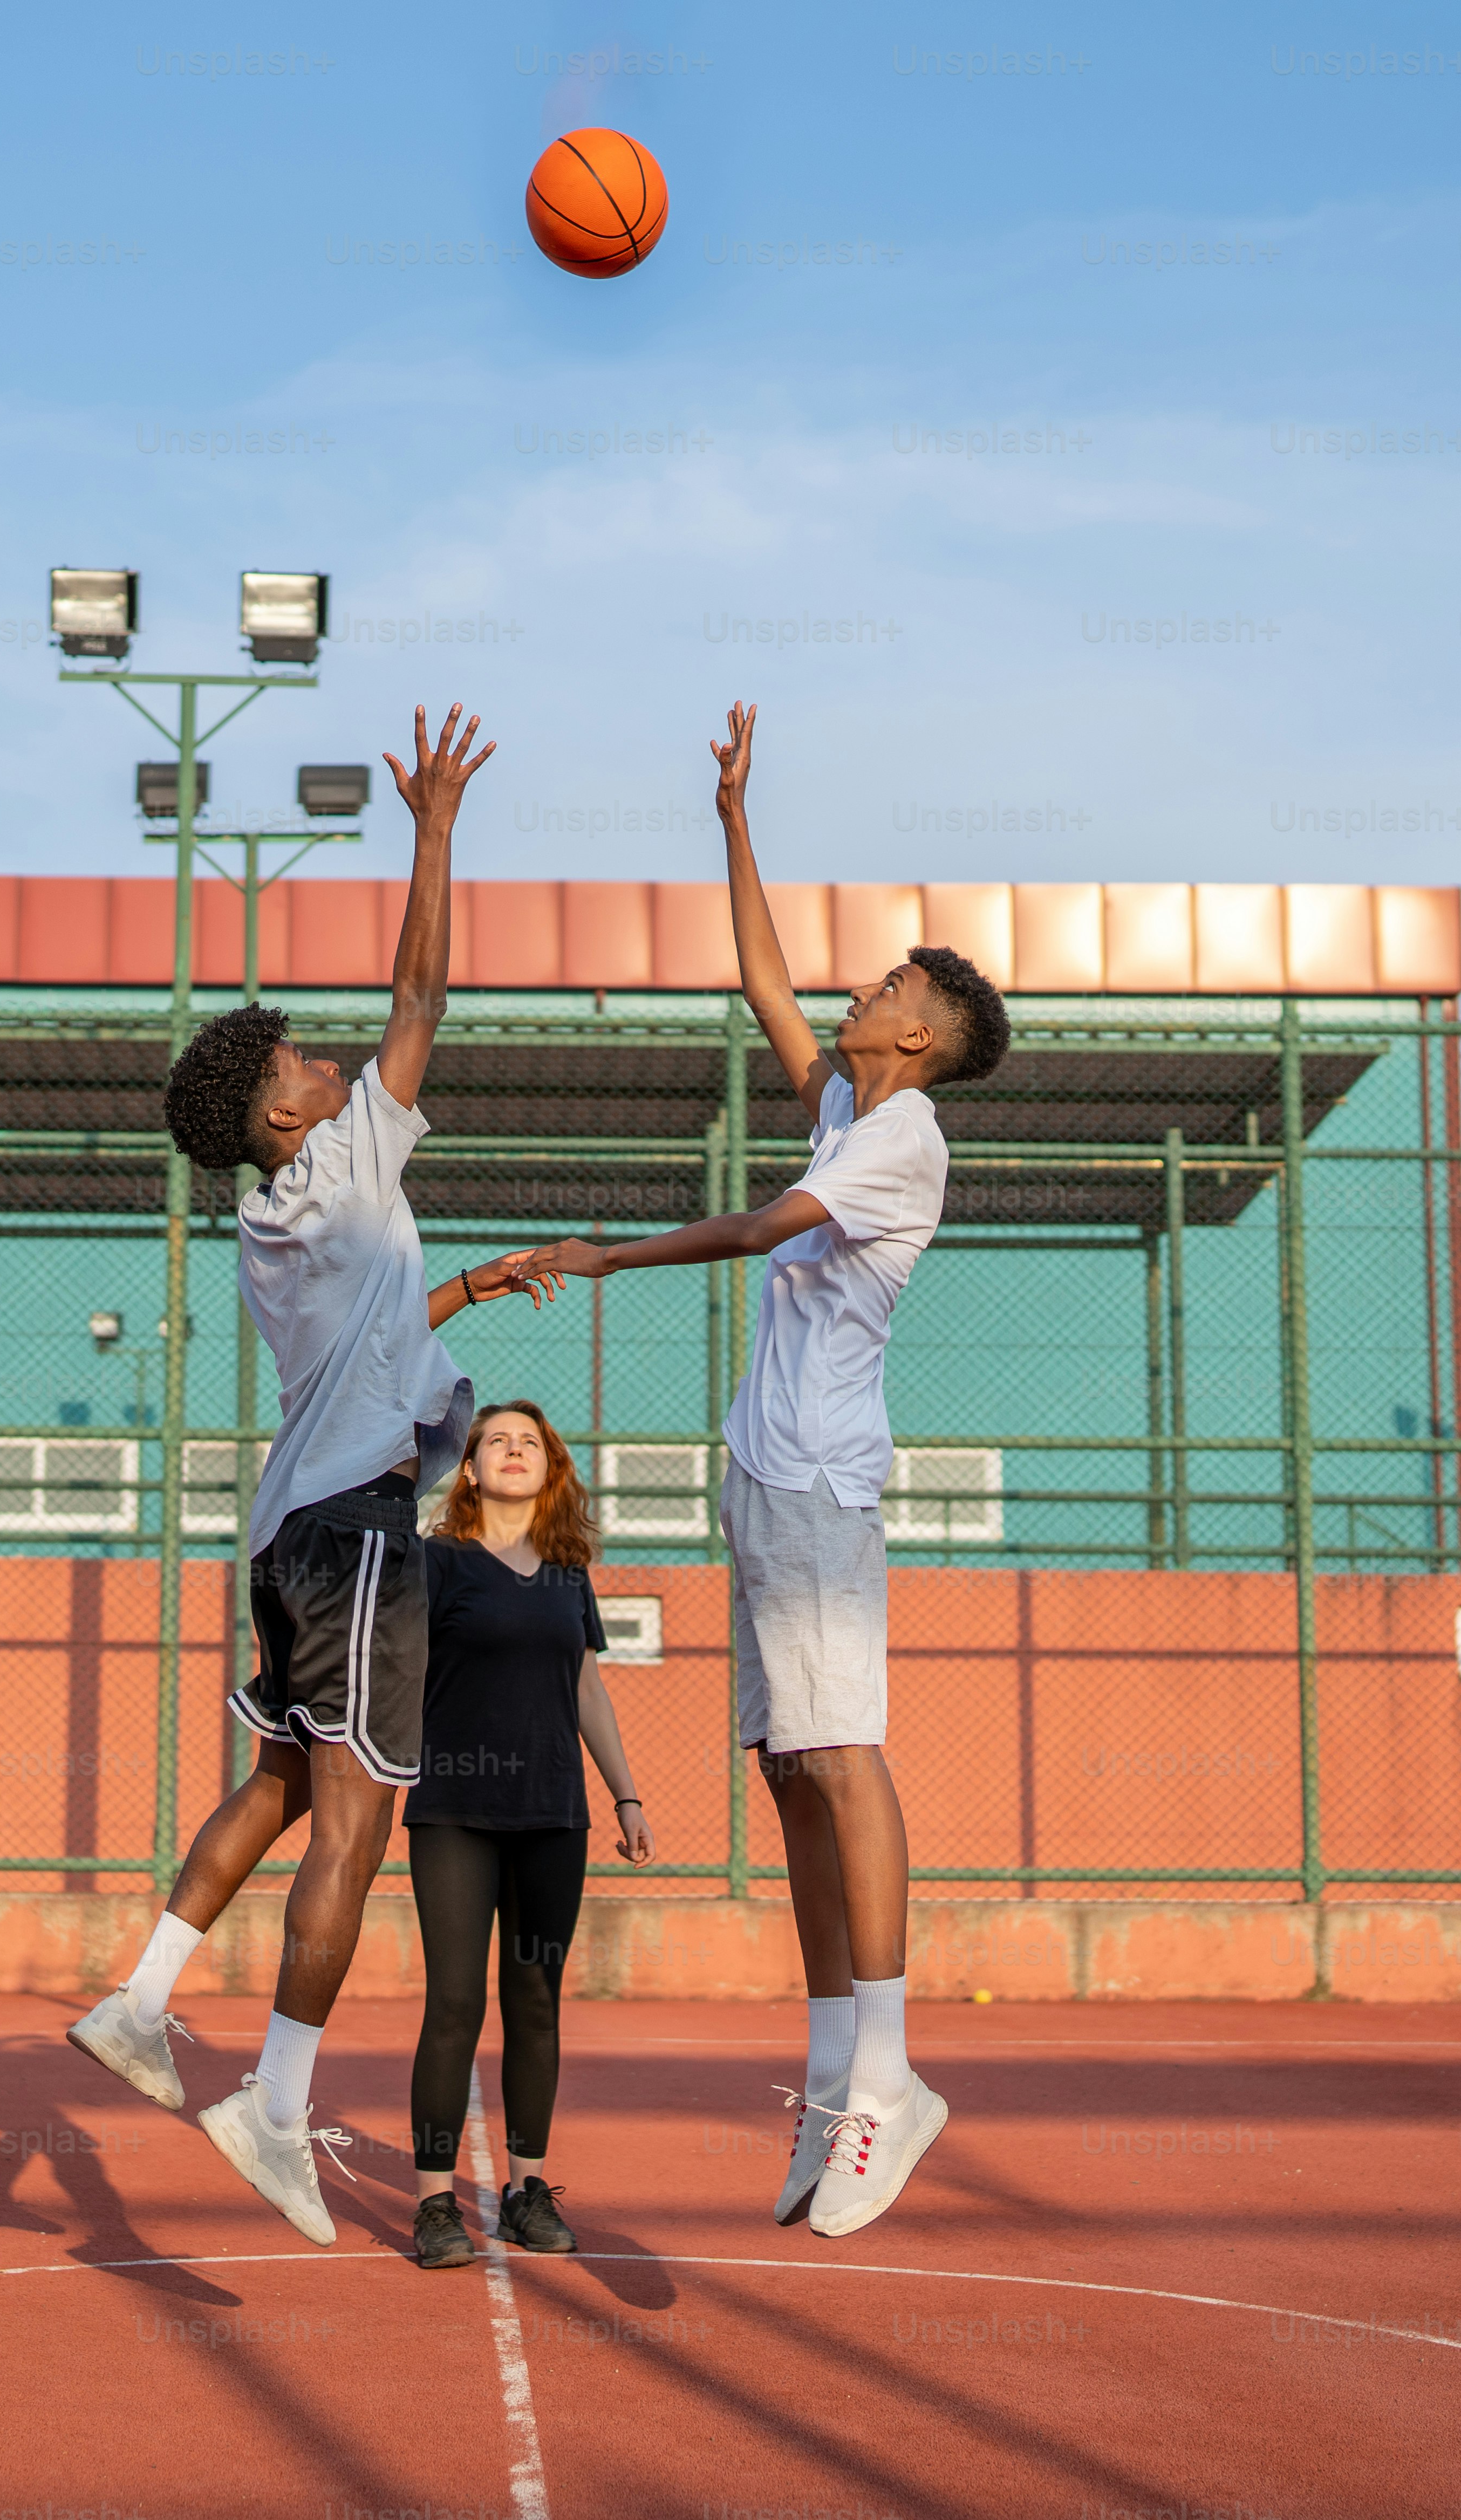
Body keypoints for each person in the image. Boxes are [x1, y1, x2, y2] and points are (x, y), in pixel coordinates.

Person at [502, 702, 1008, 2238]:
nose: (865, 989)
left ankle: (896, 2078)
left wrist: (603, 1254)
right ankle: (833, 2071)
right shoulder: (859, 1101)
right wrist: (733, 818)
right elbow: (768, 985)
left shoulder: (898, 1140)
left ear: (919, 1033)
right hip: (768, 1476)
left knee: (842, 1758)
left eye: (893, 982)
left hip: (817, 1484)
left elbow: (754, 1230)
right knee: (790, 1771)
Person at [68, 703, 536, 2249]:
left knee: (276, 1782)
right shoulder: (346, 1159)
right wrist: (438, 825)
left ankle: (141, 2001)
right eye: (299, 1057)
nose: (325, 1055)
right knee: (355, 1822)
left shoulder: (276, 1223)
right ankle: (272, 2105)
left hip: (287, 1536)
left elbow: (378, 1340)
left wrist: (467, 1288)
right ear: (285, 1114)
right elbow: (424, 989)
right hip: (359, 1539)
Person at [404, 1399, 653, 2272]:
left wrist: (625, 1796)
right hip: (452, 1814)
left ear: (550, 1469)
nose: (514, 1451)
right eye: (496, 1442)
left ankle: (525, 2191)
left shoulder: (568, 1574)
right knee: (454, 2006)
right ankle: (436, 2201)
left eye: (530, 1444)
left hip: (555, 1813)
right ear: (469, 1469)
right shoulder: (434, 1564)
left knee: (537, 2003)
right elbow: (397, 1682)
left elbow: (587, 1687)